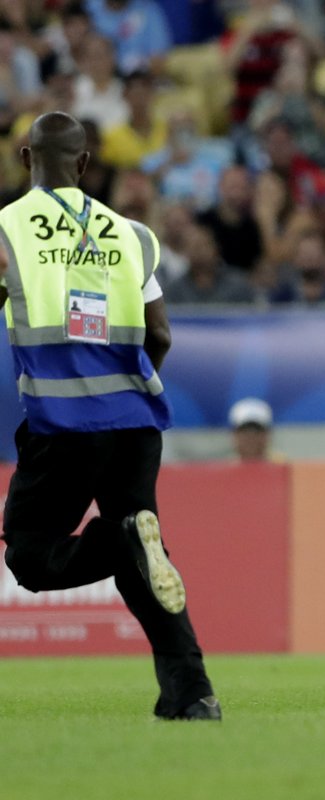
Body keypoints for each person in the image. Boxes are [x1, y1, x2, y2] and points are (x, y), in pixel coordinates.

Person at [0, 112, 219, 720]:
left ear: (26, 158)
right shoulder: (131, 234)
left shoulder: (8, 230)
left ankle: (120, 539)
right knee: (146, 560)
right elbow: (161, 335)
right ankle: (193, 694)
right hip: (136, 421)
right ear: (84, 163)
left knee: (29, 556)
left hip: (63, 422)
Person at [229, 397, 274, 462]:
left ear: (268, 434)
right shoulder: (224, 466)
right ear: (234, 435)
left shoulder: (283, 466)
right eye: (245, 431)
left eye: (257, 431)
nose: (251, 438)